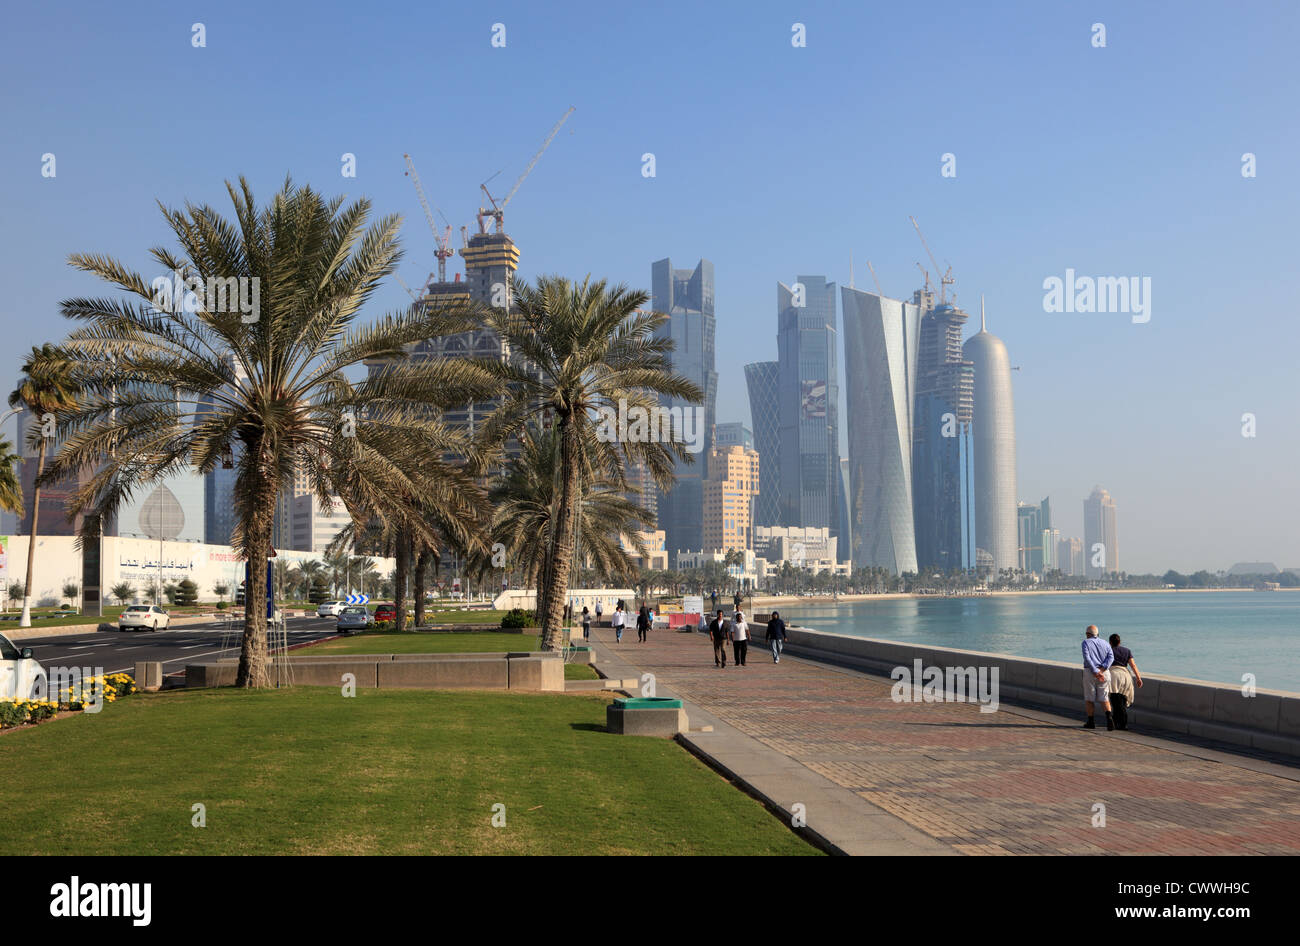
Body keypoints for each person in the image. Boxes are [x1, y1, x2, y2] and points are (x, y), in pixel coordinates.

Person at [1081, 624, 1115, 731]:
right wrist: (1102, 670)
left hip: (1090, 673)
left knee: (1089, 698)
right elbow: (1111, 657)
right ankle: (1109, 720)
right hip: (1104, 673)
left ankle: (1091, 721)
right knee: (1104, 697)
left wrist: (1095, 671)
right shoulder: (1105, 643)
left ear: (1087, 634)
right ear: (1097, 634)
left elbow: (1087, 658)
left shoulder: (1086, 642)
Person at [1108, 633, 1143, 731]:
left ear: (1110, 642)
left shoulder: (1108, 651)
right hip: (1125, 676)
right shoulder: (1127, 651)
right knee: (1122, 700)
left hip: (1113, 676)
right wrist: (1138, 678)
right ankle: (1119, 722)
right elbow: (1133, 665)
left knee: (1115, 701)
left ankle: (1121, 723)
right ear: (1120, 642)